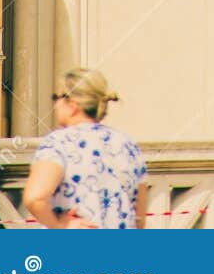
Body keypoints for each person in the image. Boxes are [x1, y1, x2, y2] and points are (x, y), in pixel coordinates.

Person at [23, 69, 147, 229]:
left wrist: (59, 226)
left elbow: (34, 198)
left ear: (73, 106)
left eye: (57, 97)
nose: (55, 104)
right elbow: (139, 217)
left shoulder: (60, 142)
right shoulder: (128, 145)